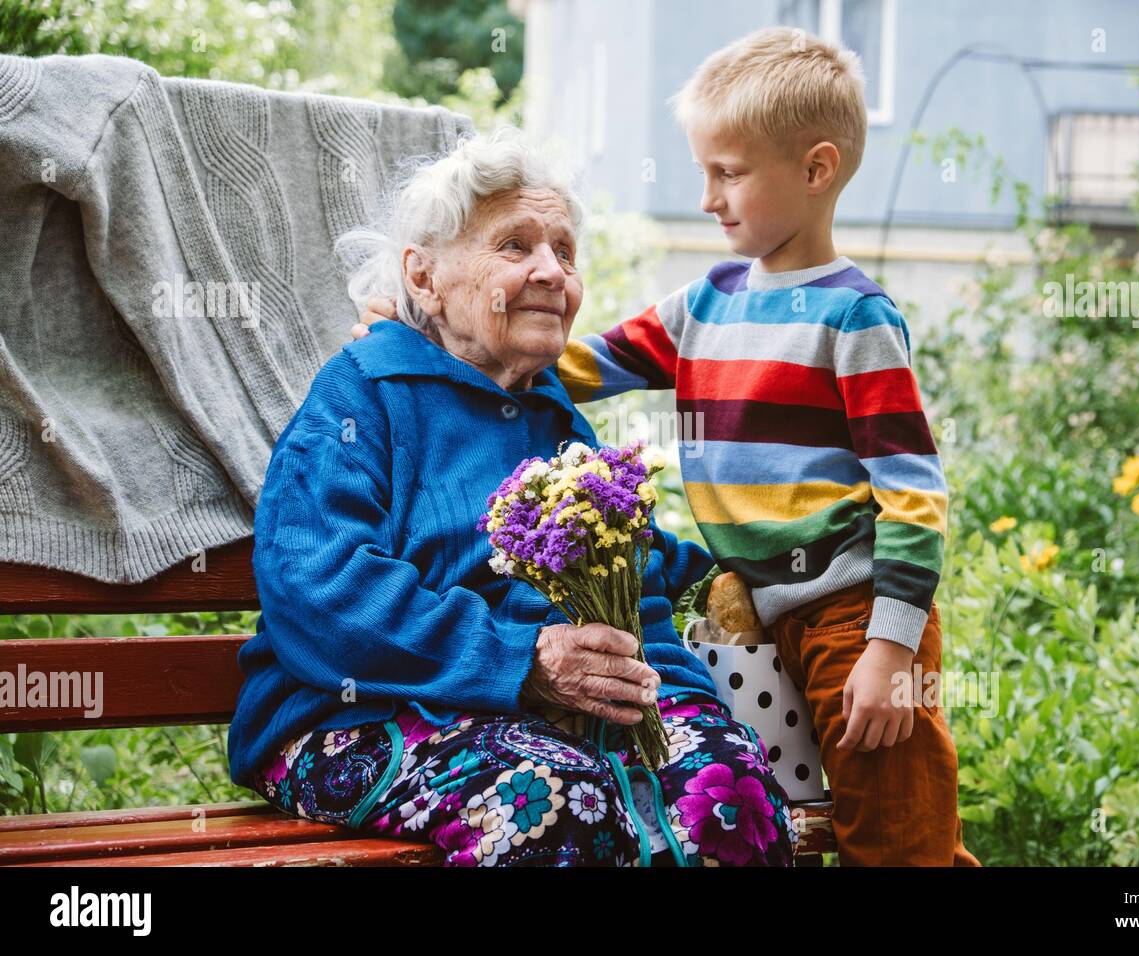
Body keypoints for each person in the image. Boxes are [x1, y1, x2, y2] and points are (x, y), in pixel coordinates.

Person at [357, 27, 979, 866]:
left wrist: (892, 647)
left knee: (896, 827)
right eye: (704, 173)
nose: (709, 198)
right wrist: (435, 337)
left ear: (815, 169)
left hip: (851, 610)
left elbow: (912, 490)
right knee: (786, 816)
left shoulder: (854, 320)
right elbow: (573, 364)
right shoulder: (705, 303)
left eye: (729, 174)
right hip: (752, 611)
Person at [228, 127, 798, 867]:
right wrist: (519, 659)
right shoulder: (363, 395)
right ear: (425, 278)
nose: (551, 271)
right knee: (550, 802)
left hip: (560, 716)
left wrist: (693, 683)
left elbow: (638, 578)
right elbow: (319, 588)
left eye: (564, 251)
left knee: (731, 797)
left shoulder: (558, 419)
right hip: (361, 711)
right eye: (515, 245)